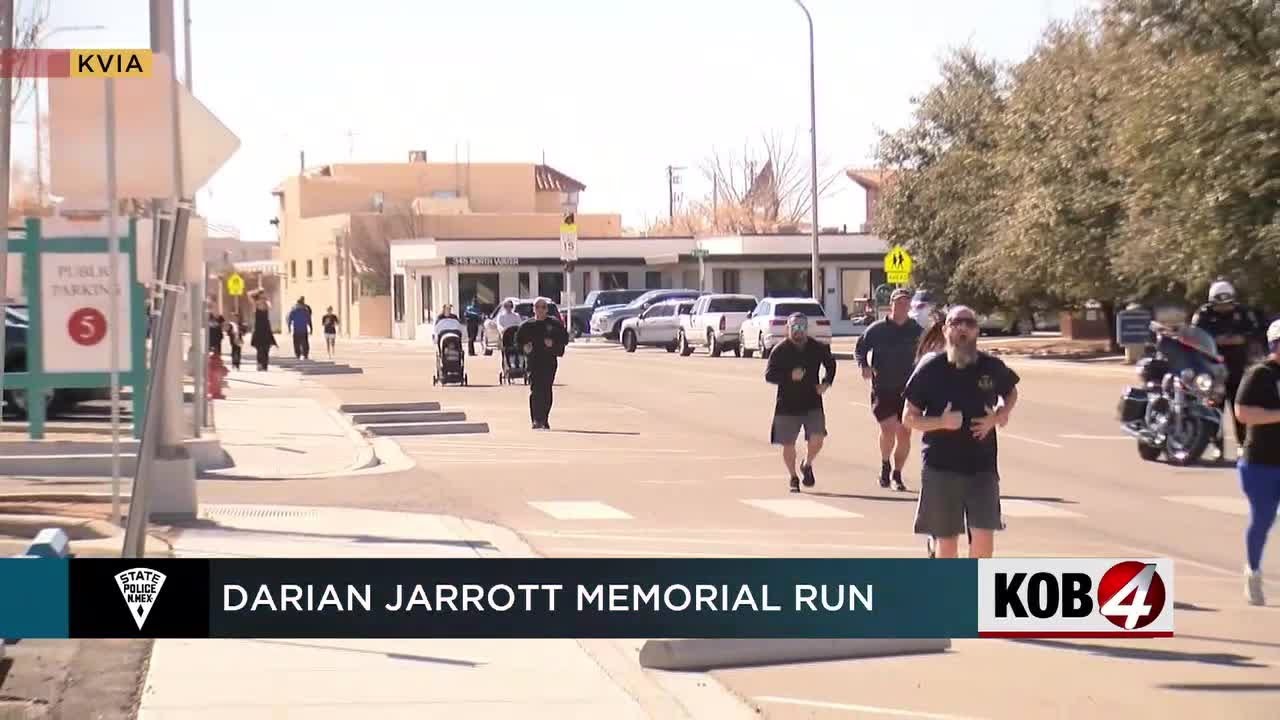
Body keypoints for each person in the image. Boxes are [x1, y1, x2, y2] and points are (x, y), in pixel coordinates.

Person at [903, 305, 1020, 559]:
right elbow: (909, 418)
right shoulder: (931, 368)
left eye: (969, 323)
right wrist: (941, 422)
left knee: (984, 540)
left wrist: (999, 416)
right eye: (956, 323)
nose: (963, 328)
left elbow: (1011, 391)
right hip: (941, 467)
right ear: (946, 330)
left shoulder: (990, 366)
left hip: (983, 466)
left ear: (977, 331)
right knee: (948, 545)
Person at [855, 288, 925, 491]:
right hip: (883, 387)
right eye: (898, 302)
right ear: (891, 305)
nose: (902, 306)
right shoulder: (877, 329)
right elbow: (860, 349)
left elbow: (927, 354)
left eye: (906, 303)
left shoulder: (917, 330)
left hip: (909, 390)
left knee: (904, 432)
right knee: (888, 429)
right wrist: (864, 366)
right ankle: (885, 465)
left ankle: (897, 474)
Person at [1233, 318, 1280, 606]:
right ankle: (1253, 571)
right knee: (1263, 518)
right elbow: (1243, 413)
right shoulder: (1260, 374)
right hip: (1260, 463)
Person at [765, 313, 837, 493]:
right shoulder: (780, 350)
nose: (799, 331)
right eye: (795, 327)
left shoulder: (816, 347)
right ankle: (793, 477)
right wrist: (789, 376)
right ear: (788, 329)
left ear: (807, 329)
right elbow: (769, 375)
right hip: (787, 404)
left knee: (818, 439)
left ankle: (807, 464)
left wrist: (826, 383)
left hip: (812, 401)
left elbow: (831, 364)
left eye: (802, 327)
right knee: (788, 444)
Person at [1193, 281, 1262, 460]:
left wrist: (1242, 338)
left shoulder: (1243, 313)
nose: (1224, 308)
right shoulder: (1203, 314)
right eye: (1219, 304)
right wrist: (1218, 341)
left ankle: (1242, 444)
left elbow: (1255, 332)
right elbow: (1196, 336)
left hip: (1238, 367)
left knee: (1240, 407)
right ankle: (1217, 446)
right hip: (1213, 370)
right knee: (1215, 410)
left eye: (1227, 303)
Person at [516, 297, 568, 430]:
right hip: (533, 361)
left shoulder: (554, 323)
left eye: (543, 307)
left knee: (546, 390)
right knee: (535, 390)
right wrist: (524, 348)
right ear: (533, 309)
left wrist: (553, 344)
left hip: (549, 361)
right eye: (537, 307)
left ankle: (544, 419)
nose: (540, 310)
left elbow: (564, 339)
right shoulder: (526, 325)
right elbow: (518, 342)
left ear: (547, 309)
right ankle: (535, 419)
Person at [249, 292, 277, 371]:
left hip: (266, 330)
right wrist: (258, 290)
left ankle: (265, 366)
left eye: (263, 299)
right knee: (260, 349)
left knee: (266, 349)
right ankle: (260, 364)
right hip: (258, 330)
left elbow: (270, 306)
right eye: (261, 298)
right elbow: (249, 294)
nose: (262, 301)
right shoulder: (255, 306)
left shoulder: (266, 305)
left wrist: (266, 300)